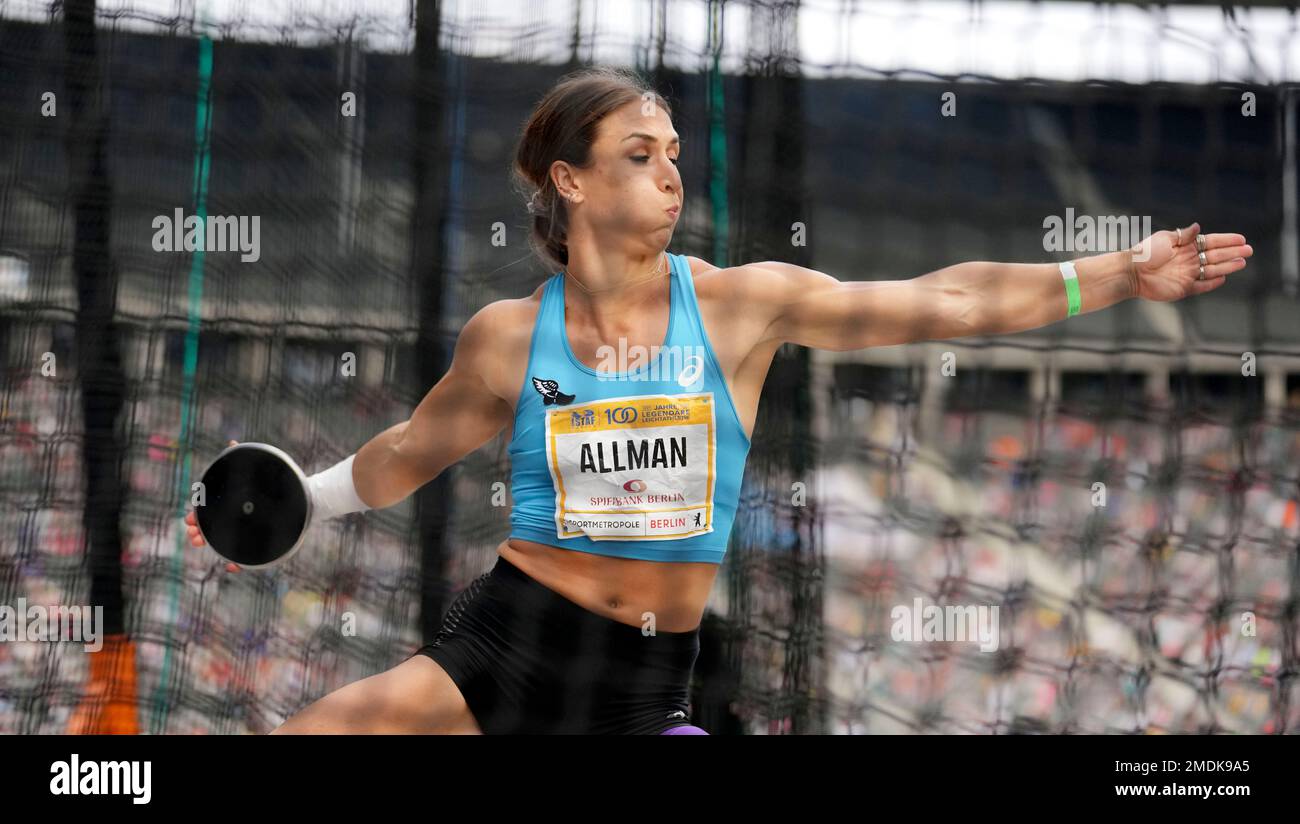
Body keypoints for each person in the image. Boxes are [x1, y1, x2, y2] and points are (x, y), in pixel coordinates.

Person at [185, 65, 1253, 734]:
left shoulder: (743, 306)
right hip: (501, 649)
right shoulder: (508, 337)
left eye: (674, 156)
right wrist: (292, 502)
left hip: (643, 684)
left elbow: (949, 301)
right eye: (638, 156)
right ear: (569, 180)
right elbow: (408, 451)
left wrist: (1114, 273)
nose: (669, 175)